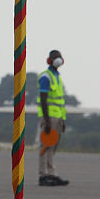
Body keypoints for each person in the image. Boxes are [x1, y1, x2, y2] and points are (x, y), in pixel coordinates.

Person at [37, 50, 69, 187]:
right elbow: (43, 100)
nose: (58, 59)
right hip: (49, 117)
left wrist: (63, 119)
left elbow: (60, 101)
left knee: (53, 147)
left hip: (58, 117)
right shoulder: (46, 77)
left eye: (59, 57)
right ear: (49, 60)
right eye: (55, 57)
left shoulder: (57, 76)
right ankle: (43, 175)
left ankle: (52, 174)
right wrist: (47, 120)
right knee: (46, 145)